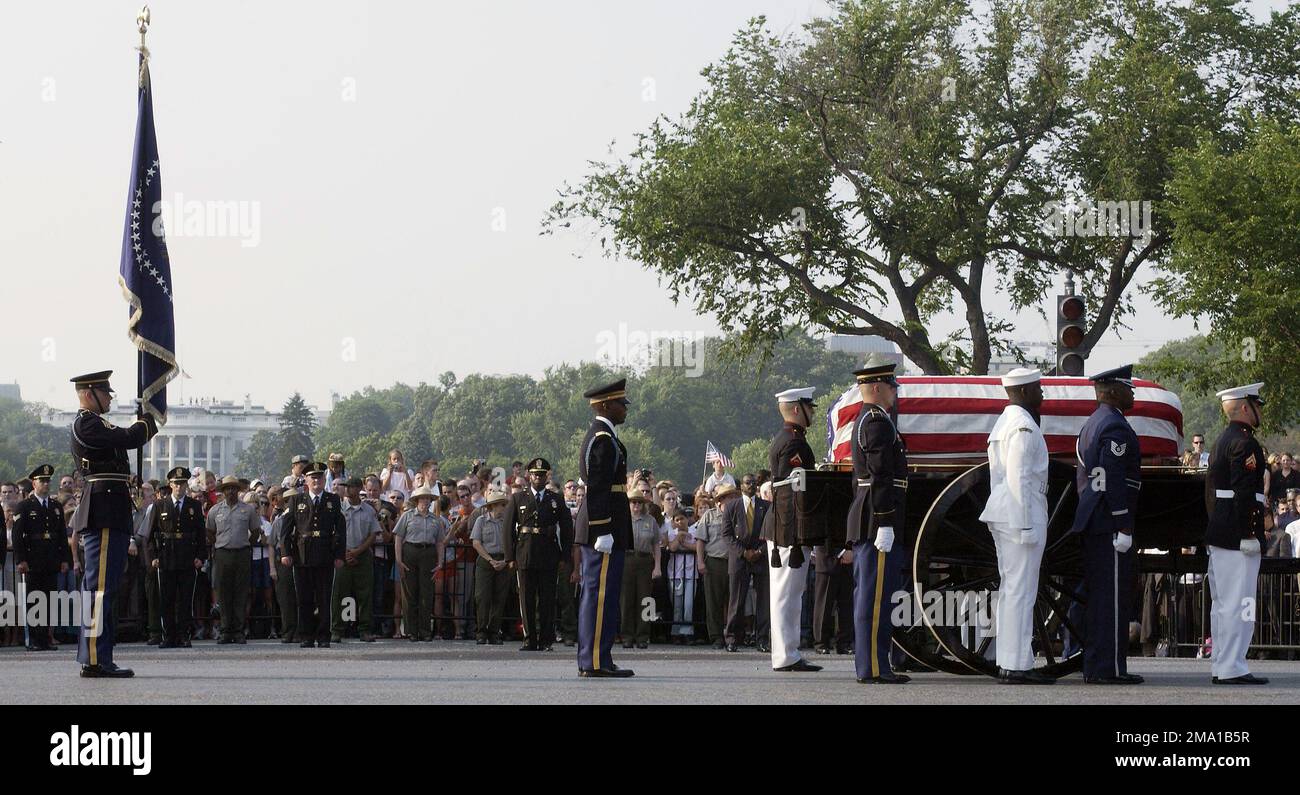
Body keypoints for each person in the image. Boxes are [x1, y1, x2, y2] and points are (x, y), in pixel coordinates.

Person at [68, 370, 158, 677]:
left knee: (105, 588)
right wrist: (147, 417)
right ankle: (94, 659)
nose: (109, 398)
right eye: (105, 393)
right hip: (104, 509)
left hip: (112, 507)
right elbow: (129, 437)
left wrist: (145, 421)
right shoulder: (87, 423)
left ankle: (99, 655)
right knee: (99, 589)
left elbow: (128, 437)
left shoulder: (97, 423)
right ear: (89, 393)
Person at [979, 368, 1054, 684]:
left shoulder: (1003, 424)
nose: (1042, 394)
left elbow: (999, 477)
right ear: (1024, 392)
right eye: (1038, 388)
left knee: (1012, 592)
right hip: (1021, 515)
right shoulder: (1023, 426)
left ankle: (1010, 662)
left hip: (1004, 512)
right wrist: (1025, 525)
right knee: (1022, 592)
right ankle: (1018, 665)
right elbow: (1019, 477)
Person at [1069, 365, 1143, 685]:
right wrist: (1123, 524)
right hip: (1108, 523)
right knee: (1111, 599)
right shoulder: (1115, 426)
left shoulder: (1093, 423)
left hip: (1094, 520)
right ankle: (1107, 668)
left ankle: (1098, 665)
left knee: (1101, 597)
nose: (1133, 393)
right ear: (1113, 391)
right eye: (1128, 387)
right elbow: (1114, 480)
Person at [846, 354, 909, 684]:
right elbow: (881, 475)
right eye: (890, 385)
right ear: (876, 387)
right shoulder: (875, 422)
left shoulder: (874, 419)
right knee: (873, 599)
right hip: (877, 517)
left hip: (875, 514)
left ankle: (876, 664)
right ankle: (871, 667)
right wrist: (885, 521)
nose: (894, 391)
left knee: (877, 596)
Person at [1204, 383, 1270, 685]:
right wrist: (1249, 534)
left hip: (1222, 534)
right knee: (1240, 603)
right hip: (1238, 538)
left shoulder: (1221, 441)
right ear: (1246, 407)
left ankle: (1223, 663)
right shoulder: (1245, 444)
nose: (1260, 411)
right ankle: (1234, 665)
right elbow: (1245, 493)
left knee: (1223, 604)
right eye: (1257, 405)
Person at [574, 378, 635, 677]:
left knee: (602, 594)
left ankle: (599, 657)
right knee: (598, 595)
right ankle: (594, 661)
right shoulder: (602, 439)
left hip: (607, 523)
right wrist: (604, 530)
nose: (624, 409)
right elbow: (597, 488)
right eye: (620, 404)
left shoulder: (604, 437)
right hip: (604, 526)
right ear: (605, 405)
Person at [763, 387, 822, 672]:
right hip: (788, 529)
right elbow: (793, 492)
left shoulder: (786, 439)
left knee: (787, 592)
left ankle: (788, 652)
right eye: (810, 407)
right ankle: (786, 654)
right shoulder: (794, 443)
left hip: (784, 528)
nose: (813, 412)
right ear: (798, 409)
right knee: (787, 593)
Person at [503, 458, 574, 652]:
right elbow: (508, 528)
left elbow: (567, 529)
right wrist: (510, 557)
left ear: (547, 476)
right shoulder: (519, 498)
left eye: (542, 475)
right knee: (526, 598)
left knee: (547, 599)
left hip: (549, 553)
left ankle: (546, 639)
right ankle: (529, 638)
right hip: (525, 552)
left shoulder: (556, 499)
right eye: (535, 474)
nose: (538, 478)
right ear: (529, 475)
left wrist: (565, 556)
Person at [280, 462, 347, 648]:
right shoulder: (296, 500)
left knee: (325, 598)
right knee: (304, 598)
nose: (316, 480)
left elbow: (340, 529)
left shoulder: (332, 500)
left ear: (324, 479)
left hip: (325, 554)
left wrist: (339, 555)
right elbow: (286, 529)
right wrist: (286, 552)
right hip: (303, 554)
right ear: (306, 480)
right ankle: (306, 635)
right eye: (312, 477)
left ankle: (324, 636)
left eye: (319, 477)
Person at [11, 464, 72, 651]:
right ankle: (35, 640)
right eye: (42, 481)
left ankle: (45, 638)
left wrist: (64, 559)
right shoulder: (25, 506)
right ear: (34, 483)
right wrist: (20, 560)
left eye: (47, 481)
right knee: (34, 600)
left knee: (49, 599)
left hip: (51, 558)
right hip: (33, 559)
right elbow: (17, 535)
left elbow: (62, 534)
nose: (45, 484)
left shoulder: (55, 506)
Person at [149, 467, 206, 648]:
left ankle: (183, 635)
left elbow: (200, 533)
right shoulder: (160, 505)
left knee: (185, 599)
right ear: (170, 485)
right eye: (176, 484)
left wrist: (200, 556)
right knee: (166, 598)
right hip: (166, 556)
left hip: (187, 556)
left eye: (182, 484)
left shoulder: (193, 505)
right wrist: (153, 556)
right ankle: (168, 636)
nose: (179, 487)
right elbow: (151, 534)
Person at [206, 475, 263, 644]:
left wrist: (246, 544)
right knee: (223, 594)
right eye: (227, 488)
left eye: (233, 488)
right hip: (222, 553)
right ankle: (225, 630)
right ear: (223, 491)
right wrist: (218, 543)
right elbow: (209, 531)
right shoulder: (215, 510)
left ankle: (238, 631)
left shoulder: (248, 510)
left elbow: (255, 531)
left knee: (241, 593)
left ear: (238, 491)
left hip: (242, 553)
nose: (231, 491)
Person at [721, 475, 770, 653]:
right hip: (739, 559)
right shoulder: (732, 506)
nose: (751, 485)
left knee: (764, 601)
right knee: (736, 600)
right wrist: (743, 552)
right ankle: (732, 638)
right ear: (741, 486)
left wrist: (760, 552)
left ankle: (762, 639)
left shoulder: (766, 506)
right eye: (748, 482)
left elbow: (771, 533)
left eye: (753, 483)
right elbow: (726, 534)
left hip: (760, 557)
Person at [331, 477, 380, 643]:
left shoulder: (369, 510)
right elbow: (333, 532)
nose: (347, 490)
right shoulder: (338, 509)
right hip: (342, 555)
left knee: (365, 595)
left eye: (350, 487)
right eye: (346, 487)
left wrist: (357, 552)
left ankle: (365, 630)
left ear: (359, 488)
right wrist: (345, 552)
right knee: (339, 594)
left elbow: (373, 534)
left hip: (362, 555)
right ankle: (337, 629)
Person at [394, 485, 445, 641]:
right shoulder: (407, 516)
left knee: (427, 593)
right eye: (422, 498)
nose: (425, 501)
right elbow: (398, 538)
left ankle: (425, 630)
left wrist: (440, 561)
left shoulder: (436, 520)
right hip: (410, 550)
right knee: (409, 593)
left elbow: (440, 542)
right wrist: (399, 559)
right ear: (416, 500)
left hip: (428, 553)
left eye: (427, 498)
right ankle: (412, 631)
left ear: (431, 501)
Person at [621, 492, 662, 649]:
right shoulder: (623, 520)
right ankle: (627, 635)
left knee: (646, 600)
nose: (636, 506)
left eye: (639, 502)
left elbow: (656, 545)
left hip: (645, 561)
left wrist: (657, 566)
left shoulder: (650, 521)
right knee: (626, 600)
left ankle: (643, 636)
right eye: (633, 502)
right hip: (627, 559)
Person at [470, 489, 512, 644]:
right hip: (486, 561)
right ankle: (481, 631)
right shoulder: (481, 520)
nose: (504, 507)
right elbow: (476, 543)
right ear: (493, 506)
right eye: (502, 505)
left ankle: (494, 632)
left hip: (503, 560)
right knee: (482, 597)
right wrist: (490, 560)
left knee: (499, 598)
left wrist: (505, 561)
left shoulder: (507, 522)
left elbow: (512, 542)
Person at [691, 490, 730, 648]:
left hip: (733, 561)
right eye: (728, 498)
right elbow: (700, 540)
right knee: (713, 601)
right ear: (720, 500)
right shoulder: (709, 515)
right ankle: (716, 636)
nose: (732, 500)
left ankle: (732, 635)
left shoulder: (738, 514)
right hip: (713, 561)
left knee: (733, 601)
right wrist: (700, 561)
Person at [664, 509, 703, 645]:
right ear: (673, 522)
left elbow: (696, 548)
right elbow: (673, 548)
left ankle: (687, 632)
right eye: (677, 520)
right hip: (675, 574)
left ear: (688, 519)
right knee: (677, 605)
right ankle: (675, 632)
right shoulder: (671, 534)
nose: (680, 522)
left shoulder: (694, 532)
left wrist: (685, 543)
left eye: (683, 519)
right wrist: (679, 536)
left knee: (688, 604)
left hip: (690, 573)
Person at [268, 487, 299, 643]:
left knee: (301, 597)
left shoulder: (304, 518)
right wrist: (272, 568)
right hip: (283, 561)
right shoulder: (279, 520)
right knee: (285, 599)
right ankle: (288, 631)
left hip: (300, 560)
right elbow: (272, 544)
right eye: (289, 500)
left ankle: (301, 631)